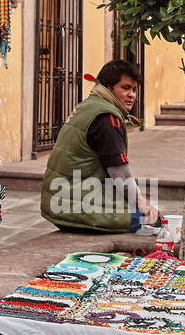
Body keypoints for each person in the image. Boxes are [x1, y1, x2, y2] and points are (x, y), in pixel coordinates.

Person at [40, 59, 163, 235]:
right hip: (75, 206)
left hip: (61, 200)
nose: (132, 95)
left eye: (134, 90)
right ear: (108, 87)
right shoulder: (107, 119)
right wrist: (142, 203)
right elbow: (120, 173)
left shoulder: (88, 106)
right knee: (154, 220)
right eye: (126, 88)